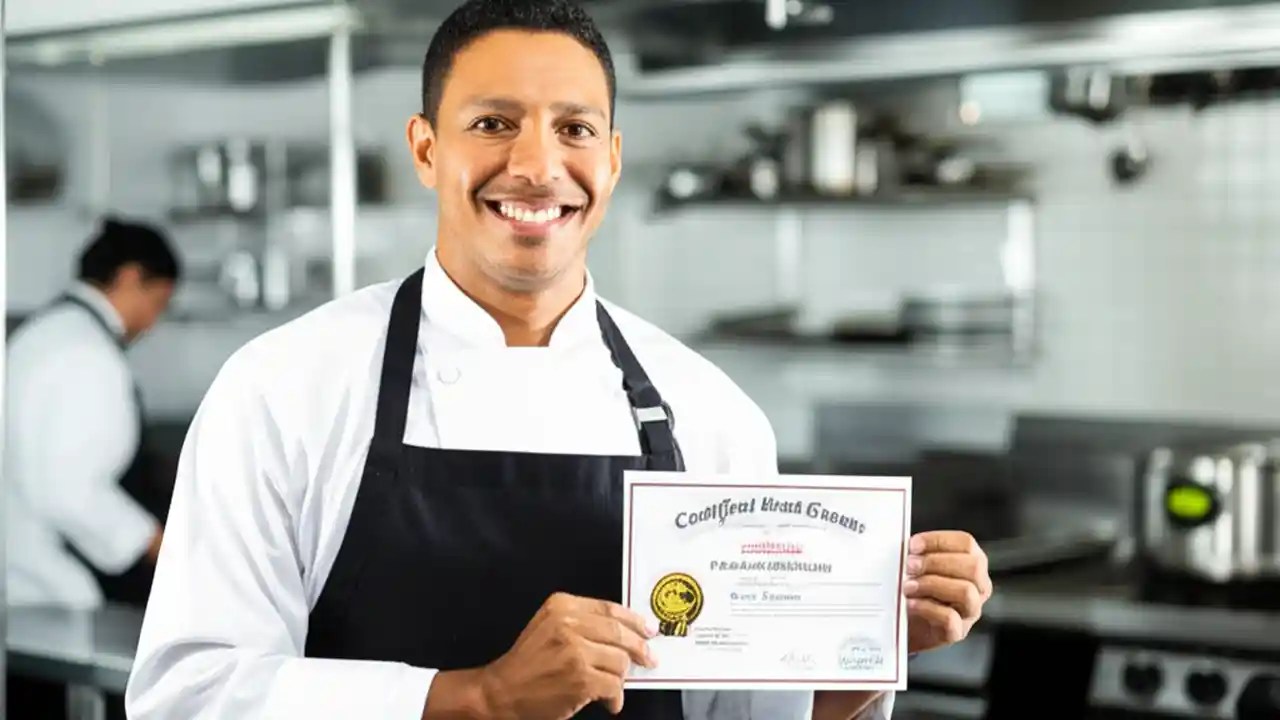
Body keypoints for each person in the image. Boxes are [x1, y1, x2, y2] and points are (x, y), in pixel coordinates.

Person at [126, 1, 993, 718]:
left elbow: (747, 714)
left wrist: (864, 648)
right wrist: (479, 698)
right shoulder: (285, 388)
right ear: (428, 148)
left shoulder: (710, 412)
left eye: (574, 129)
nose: (538, 166)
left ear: (611, 163)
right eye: (493, 123)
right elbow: (186, 696)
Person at [6, 216, 180, 717]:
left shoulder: (43, 335)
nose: (152, 321)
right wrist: (160, 546)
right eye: (158, 302)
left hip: (22, 583)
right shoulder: (87, 355)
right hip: (51, 589)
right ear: (130, 279)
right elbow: (70, 492)